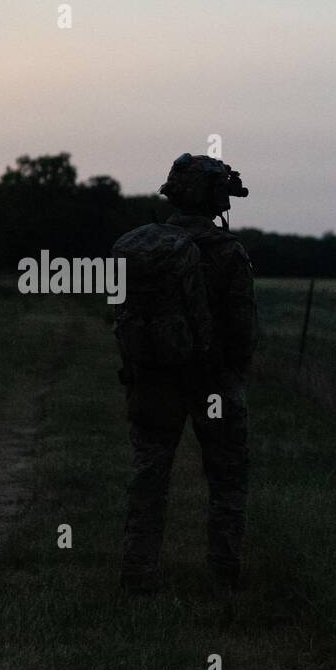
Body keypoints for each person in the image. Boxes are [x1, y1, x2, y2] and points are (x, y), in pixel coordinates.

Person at [114, 154, 258, 594]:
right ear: (214, 198)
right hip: (214, 383)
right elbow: (244, 329)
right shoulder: (228, 253)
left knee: (148, 479)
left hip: (155, 378)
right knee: (227, 481)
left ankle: (138, 575)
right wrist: (230, 371)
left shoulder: (146, 246)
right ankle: (224, 575)